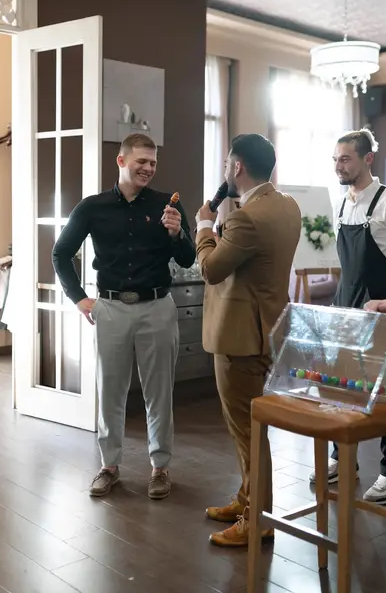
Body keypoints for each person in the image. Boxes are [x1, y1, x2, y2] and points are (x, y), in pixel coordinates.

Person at [52, 133, 196, 499]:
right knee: (110, 391)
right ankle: (109, 467)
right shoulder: (92, 207)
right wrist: (79, 298)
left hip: (158, 307)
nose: (148, 168)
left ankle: (160, 468)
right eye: (141, 161)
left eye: (153, 162)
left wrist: (177, 234)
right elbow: (60, 253)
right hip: (111, 308)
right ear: (121, 161)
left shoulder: (168, 205)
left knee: (159, 393)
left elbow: (187, 259)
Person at [195, 133, 301, 547]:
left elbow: (212, 269)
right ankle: (245, 498)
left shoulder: (247, 218)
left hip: (239, 336)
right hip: (270, 330)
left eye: (227, 162)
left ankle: (257, 519)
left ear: (237, 167)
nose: (225, 169)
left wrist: (204, 226)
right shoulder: (286, 206)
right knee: (249, 427)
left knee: (247, 431)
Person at [309, 128, 386, 505]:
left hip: (381, 308)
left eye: (345, 159)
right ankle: (343, 457)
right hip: (346, 305)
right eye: (335, 160)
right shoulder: (342, 203)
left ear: (367, 158)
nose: (338, 166)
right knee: (343, 385)